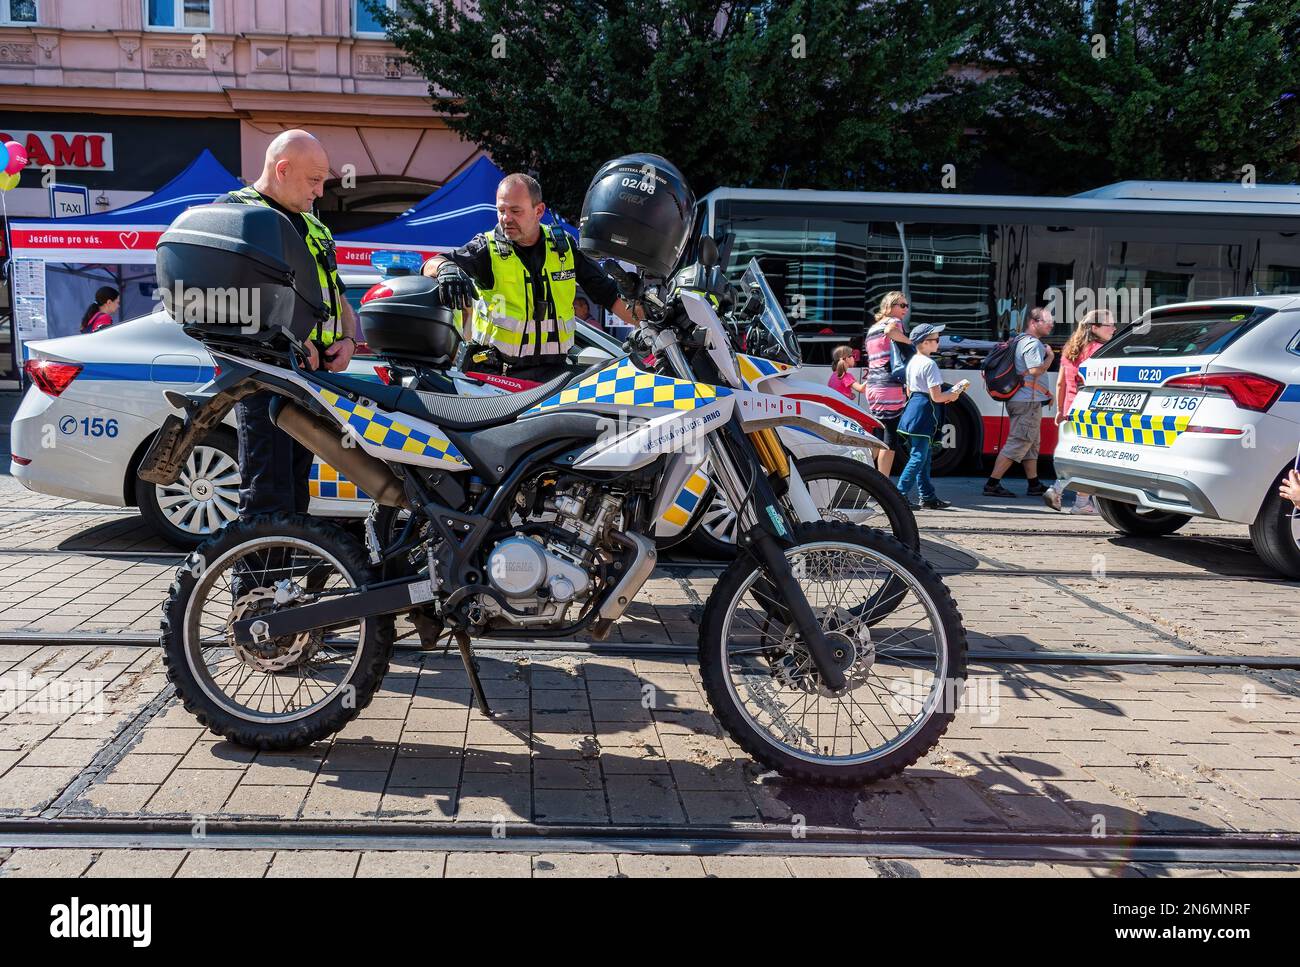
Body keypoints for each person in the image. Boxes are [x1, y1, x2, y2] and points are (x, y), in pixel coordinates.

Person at [213, 129, 358, 519]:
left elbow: (338, 295)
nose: (320, 191)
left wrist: (348, 338)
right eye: (314, 180)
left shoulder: (314, 226)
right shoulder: (235, 214)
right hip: (265, 378)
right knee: (266, 492)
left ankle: (285, 572)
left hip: (310, 379)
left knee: (294, 491)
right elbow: (226, 301)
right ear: (282, 169)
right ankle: (253, 578)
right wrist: (286, 342)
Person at [420, 173, 640, 383]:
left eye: (516, 211)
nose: (506, 218)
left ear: (539, 210)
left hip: (554, 376)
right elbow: (433, 263)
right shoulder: (486, 248)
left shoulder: (564, 248)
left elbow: (609, 294)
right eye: (501, 210)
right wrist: (446, 269)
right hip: (496, 376)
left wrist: (650, 323)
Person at [1044, 309, 1116, 513]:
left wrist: (1060, 410)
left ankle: (1081, 503)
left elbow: (1060, 384)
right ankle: (1057, 490)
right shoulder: (1100, 350)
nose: (1114, 328)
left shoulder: (1069, 348)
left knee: (1080, 456)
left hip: (1070, 409)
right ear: (1095, 328)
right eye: (1109, 325)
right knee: (1092, 458)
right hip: (1090, 411)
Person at [984, 306, 1055, 498]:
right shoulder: (1033, 344)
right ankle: (992, 484)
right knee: (1019, 441)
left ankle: (1034, 484)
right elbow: (1035, 370)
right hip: (1027, 402)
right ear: (1033, 323)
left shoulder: (1019, 340)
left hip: (1022, 399)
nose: (1051, 325)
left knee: (1030, 443)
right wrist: (1050, 357)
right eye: (1046, 321)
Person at [896, 323, 967, 510]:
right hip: (925, 412)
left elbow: (910, 390)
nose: (938, 343)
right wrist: (954, 393)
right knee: (919, 457)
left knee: (924, 456)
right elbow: (937, 397)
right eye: (935, 339)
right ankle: (899, 495)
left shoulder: (913, 362)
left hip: (913, 409)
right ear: (925, 343)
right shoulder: (930, 364)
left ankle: (927, 496)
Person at [863, 291, 913, 476]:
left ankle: (864, 477)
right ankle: (882, 486)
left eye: (907, 306)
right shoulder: (894, 323)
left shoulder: (872, 328)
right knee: (889, 439)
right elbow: (890, 331)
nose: (905, 310)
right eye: (902, 305)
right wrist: (911, 344)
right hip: (888, 387)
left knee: (877, 436)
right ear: (889, 306)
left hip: (873, 386)